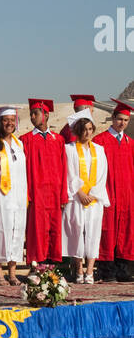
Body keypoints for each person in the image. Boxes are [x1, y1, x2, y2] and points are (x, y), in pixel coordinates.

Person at [62, 117, 110, 284]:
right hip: (76, 197)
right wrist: (79, 192)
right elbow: (68, 173)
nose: (87, 132)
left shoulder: (99, 149)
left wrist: (94, 193)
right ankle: (79, 269)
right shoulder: (68, 149)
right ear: (77, 131)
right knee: (76, 231)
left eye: (90, 129)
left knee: (93, 232)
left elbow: (103, 174)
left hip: (94, 199)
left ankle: (90, 270)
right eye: (84, 129)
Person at [20, 98, 67, 267]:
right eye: (31, 114)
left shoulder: (58, 140)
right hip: (36, 193)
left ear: (46, 115)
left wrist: (63, 196)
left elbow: (64, 169)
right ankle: (36, 266)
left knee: (54, 230)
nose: (32, 117)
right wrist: (27, 195)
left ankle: (52, 268)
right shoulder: (25, 140)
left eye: (36, 113)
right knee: (37, 231)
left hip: (54, 194)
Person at [0, 106, 27, 287]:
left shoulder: (19, 144)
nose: (9, 123)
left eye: (12, 120)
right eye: (5, 120)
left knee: (16, 233)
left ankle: (13, 273)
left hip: (17, 196)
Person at [94, 102, 134, 283]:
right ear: (113, 118)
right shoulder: (100, 141)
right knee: (107, 231)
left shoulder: (131, 144)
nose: (122, 123)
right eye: (119, 119)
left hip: (127, 195)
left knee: (126, 232)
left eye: (126, 120)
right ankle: (106, 271)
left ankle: (123, 270)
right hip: (107, 193)